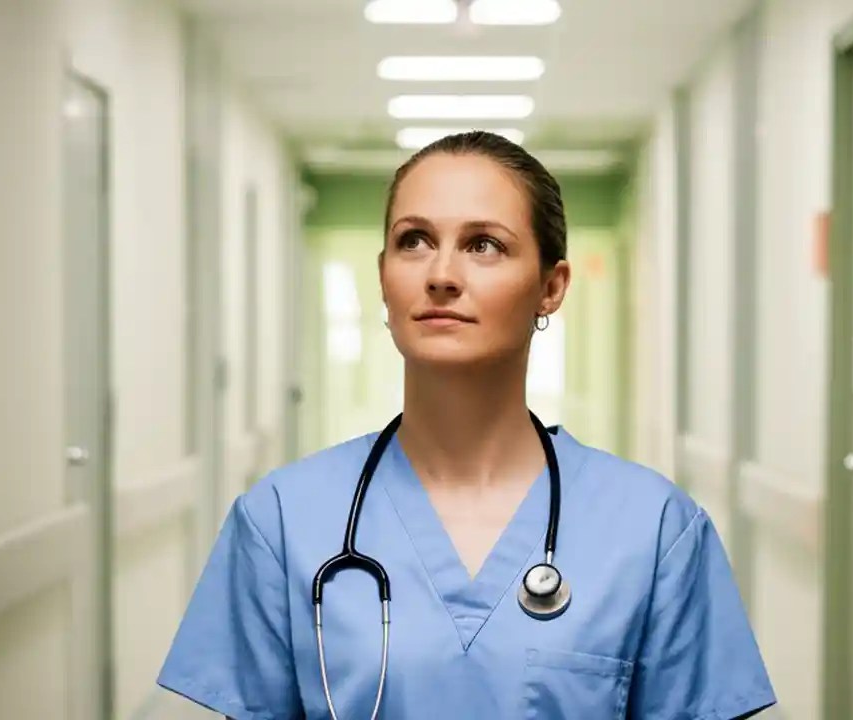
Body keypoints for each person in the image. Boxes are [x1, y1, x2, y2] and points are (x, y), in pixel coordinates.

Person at [156, 131, 776, 719]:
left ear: (551, 286)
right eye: (414, 241)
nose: (441, 275)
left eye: (484, 245)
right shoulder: (281, 520)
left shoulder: (654, 529)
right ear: (383, 276)